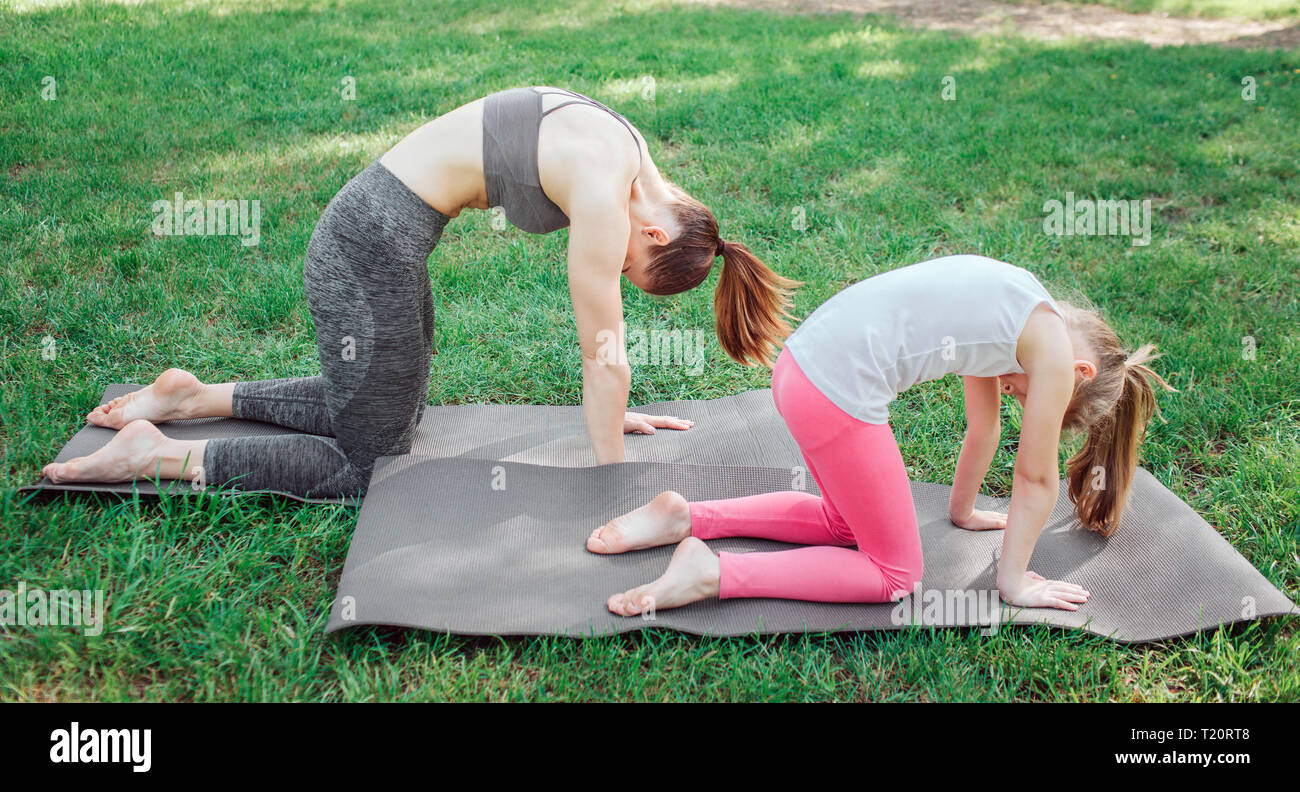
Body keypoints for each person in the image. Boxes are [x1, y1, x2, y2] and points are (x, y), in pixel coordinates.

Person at [41, 86, 797, 498]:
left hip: (382, 244)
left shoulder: (625, 145)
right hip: (367, 250)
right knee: (374, 468)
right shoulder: (608, 191)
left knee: (386, 409)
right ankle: (158, 456)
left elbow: (606, 356)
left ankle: (194, 398)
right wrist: (609, 481)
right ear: (658, 235)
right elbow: (604, 353)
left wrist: (613, 411)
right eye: (632, 269)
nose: (614, 271)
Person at [589, 255, 1174, 615]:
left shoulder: (1015, 301)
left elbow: (983, 427)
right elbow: (1036, 474)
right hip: (833, 390)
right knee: (895, 575)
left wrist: (963, 510)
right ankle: (713, 573)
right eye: (1032, 397)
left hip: (801, 370)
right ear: (1079, 374)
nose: (1021, 398)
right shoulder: (1047, 352)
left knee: (847, 524)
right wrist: (1014, 581)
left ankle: (688, 517)